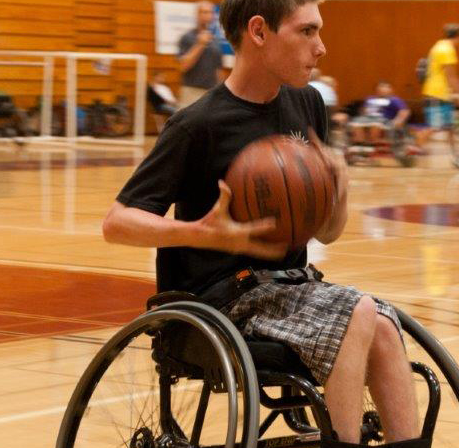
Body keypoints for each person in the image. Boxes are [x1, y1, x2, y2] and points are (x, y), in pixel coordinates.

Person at [101, 0, 423, 446]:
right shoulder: (197, 124)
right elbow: (117, 223)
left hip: (290, 287)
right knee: (359, 310)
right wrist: (199, 232)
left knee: (385, 328)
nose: (322, 47)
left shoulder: (308, 104)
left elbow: (327, 232)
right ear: (258, 32)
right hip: (219, 304)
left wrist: (339, 186)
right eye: (307, 32)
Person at [420, 23, 459, 132]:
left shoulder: (438, 45)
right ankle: (416, 146)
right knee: (434, 130)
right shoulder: (447, 49)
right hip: (437, 94)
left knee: (447, 129)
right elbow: (451, 76)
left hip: (441, 94)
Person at [177, 1, 224, 108]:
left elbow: (218, 70)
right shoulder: (187, 37)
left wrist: (222, 93)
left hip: (210, 94)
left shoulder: (216, 41)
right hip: (191, 91)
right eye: (204, 12)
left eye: (210, 13)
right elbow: (183, 66)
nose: (208, 15)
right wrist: (200, 44)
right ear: (197, 15)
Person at [349, 81, 410, 145]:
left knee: (374, 125)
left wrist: (398, 121)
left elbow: (404, 111)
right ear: (377, 90)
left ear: (390, 90)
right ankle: (359, 144)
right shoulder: (370, 98)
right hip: (367, 118)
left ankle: (373, 145)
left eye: (385, 88)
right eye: (380, 88)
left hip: (384, 119)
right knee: (355, 123)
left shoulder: (394, 99)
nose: (383, 90)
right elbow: (364, 111)